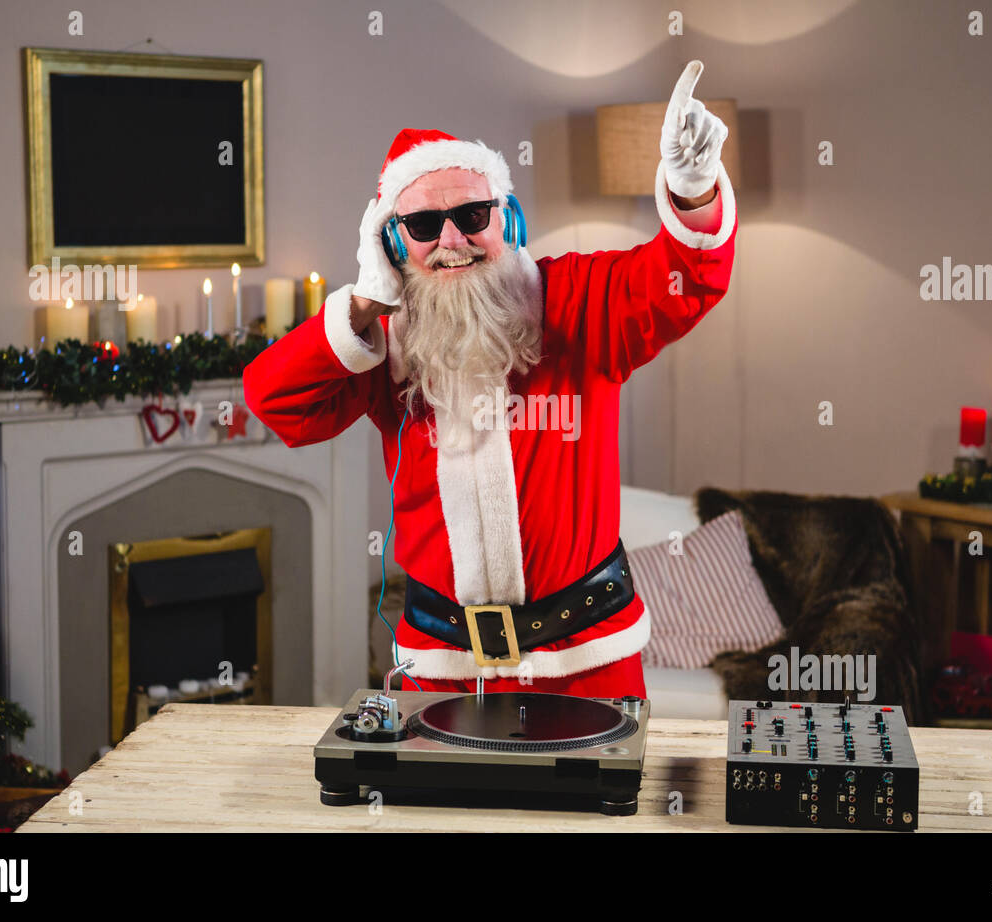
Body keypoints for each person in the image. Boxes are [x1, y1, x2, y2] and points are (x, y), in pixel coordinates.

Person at [243, 61, 737, 698]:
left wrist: (693, 189)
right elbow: (275, 399)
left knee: (602, 800)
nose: (452, 240)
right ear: (394, 246)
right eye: (422, 226)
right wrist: (364, 302)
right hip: (441, 671)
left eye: (472, 215)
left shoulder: (578, 302)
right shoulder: (384, 341)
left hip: (587, 660)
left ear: (507, 218)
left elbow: (686, 281)